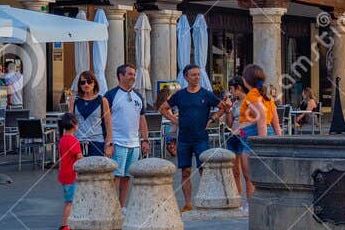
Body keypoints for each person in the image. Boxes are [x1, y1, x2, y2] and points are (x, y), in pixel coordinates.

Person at [159, 64, 224, 211]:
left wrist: (213, 119)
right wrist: (174, 120)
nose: (197, 77)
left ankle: (206, 200)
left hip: (201, 138)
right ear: (186, 77)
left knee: (204, 170)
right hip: (184, 139)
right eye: (193, 75)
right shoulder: (180, 95)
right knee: (185, 171)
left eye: (198, 74)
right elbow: (162, 108)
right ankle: (188, 204)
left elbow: (223, 107)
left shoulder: (206, 94)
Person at [233, 64, 280, 207]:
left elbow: (261, 116)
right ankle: (265, 206)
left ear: (246, 81)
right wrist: (278, 140)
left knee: (251, 178)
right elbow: (275, 122)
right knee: (266, 177)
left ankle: (253, 209)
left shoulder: (252, 95)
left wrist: (261, 144)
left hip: (254, 137)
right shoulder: (266, 95)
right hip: (266, 134)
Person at [105, 64, 146, 205]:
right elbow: (105, 120)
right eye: (130, 74)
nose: (133, 77)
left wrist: (145, 140)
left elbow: (142, 119)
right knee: (116, 176)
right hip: (118, 142)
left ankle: (121, 205)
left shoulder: (138, 96)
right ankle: (112, 206)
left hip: (134, 144)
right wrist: (108, 143)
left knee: (127, 177)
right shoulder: (110, 96)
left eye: (134, 74)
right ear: (120, 76)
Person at [70, 71, 113, 158]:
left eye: (89, 82)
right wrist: (66, 143)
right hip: (78, 142)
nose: (86, 84)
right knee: (79, 171)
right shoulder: (74, 101)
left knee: (96, 170)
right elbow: (69, 124)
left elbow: (108, 124)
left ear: (94, 84)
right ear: (79, 85)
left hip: (97, 142)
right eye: (83, 82)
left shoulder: (102, 101)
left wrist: (109, 144)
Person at [55, 111, 82, 230]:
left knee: (68, 201)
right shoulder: (74, 141)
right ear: (75, 125)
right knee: (70, 203)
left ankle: (68, 224)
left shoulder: (62, 140)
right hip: (71, 175)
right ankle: (64, 226)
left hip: (64, 174)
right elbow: (79, 157)